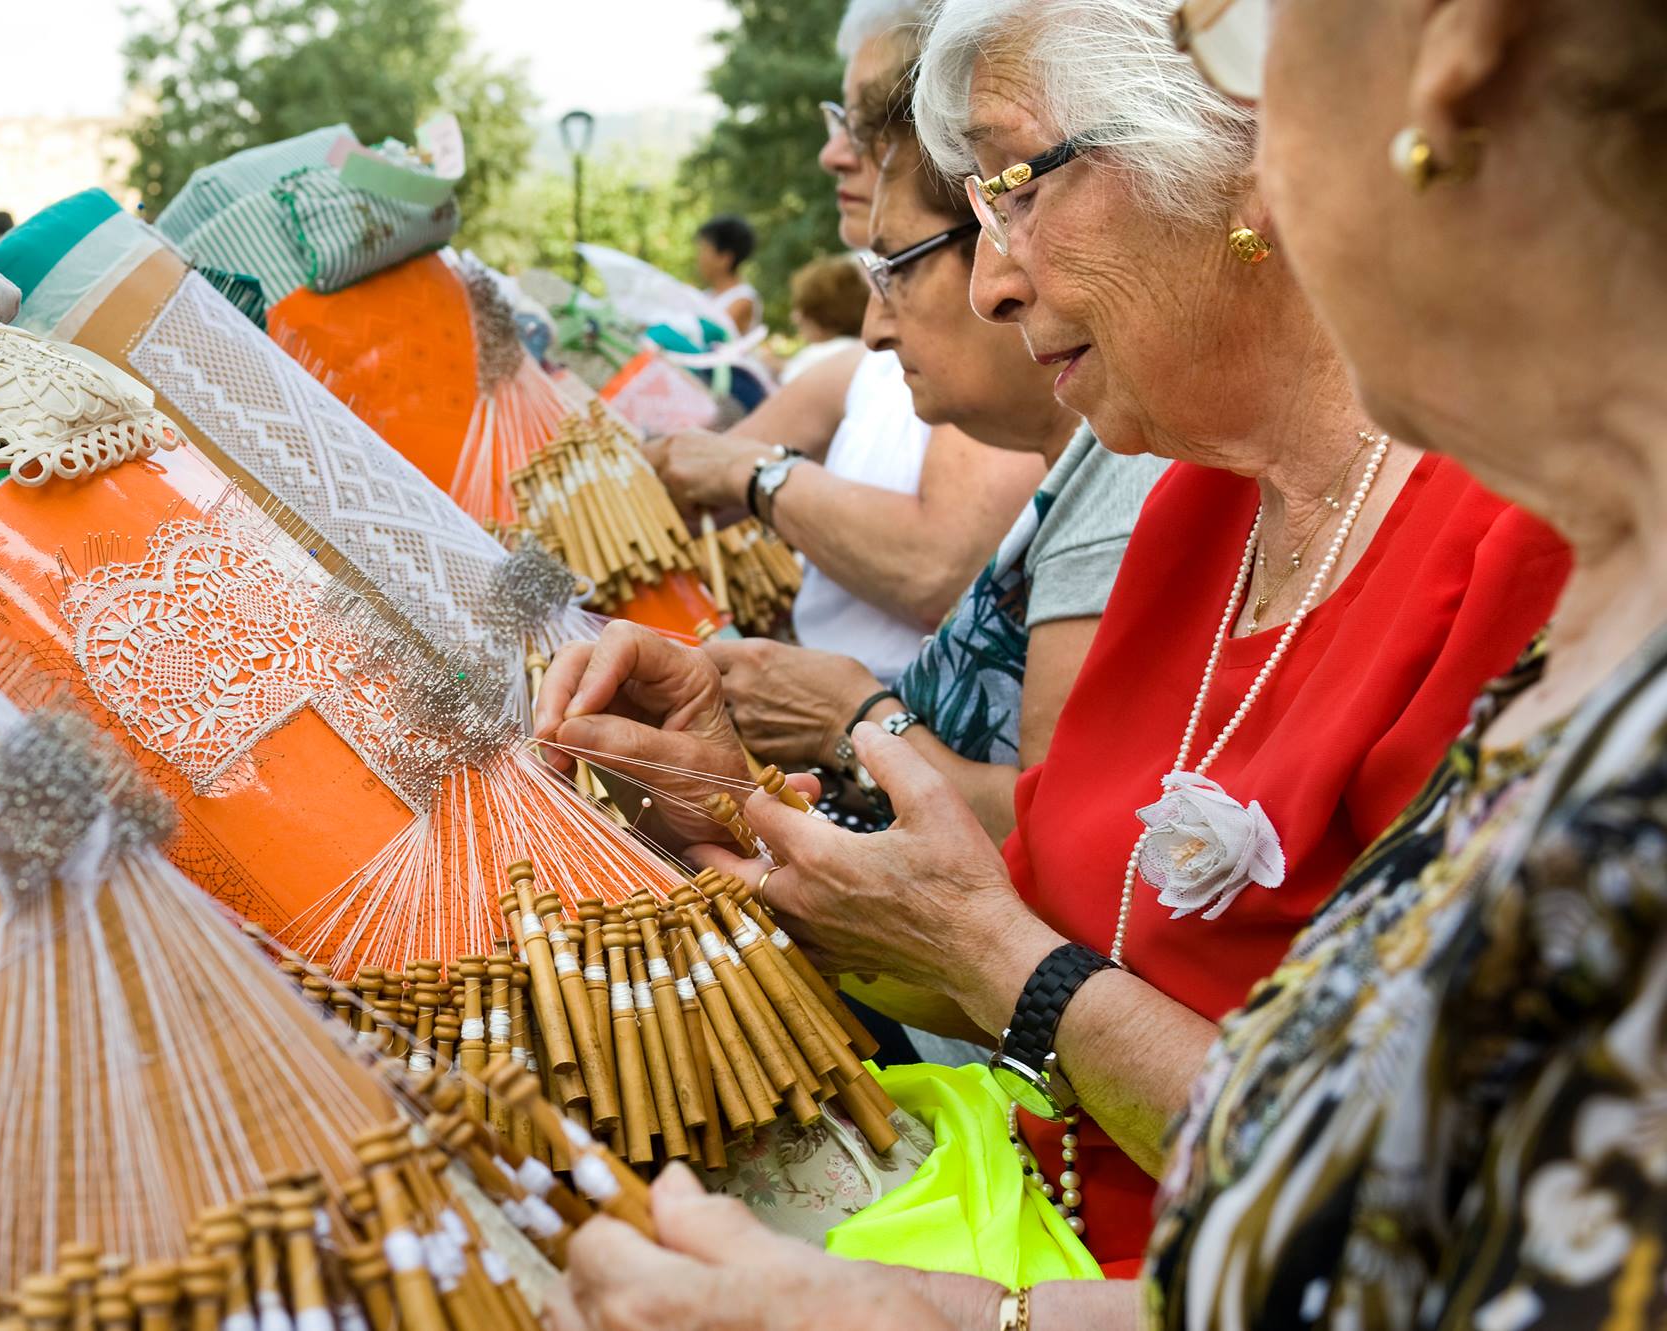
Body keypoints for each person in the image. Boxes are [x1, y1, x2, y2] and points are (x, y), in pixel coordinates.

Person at [536, 0, 1573, 1283]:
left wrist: (992, 960)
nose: (990, 282)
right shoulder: (1193, 507)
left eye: (1015, 189)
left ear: (1237, 146)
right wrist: (729, 803)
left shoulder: (1521, 549)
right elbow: (1010, 924)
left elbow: (1412, 1195)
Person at [707, 77, 1160, 846]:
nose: (875, 329)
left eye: (895, 267)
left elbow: (1063, 842)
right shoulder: (1089, 468)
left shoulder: (1129, 468)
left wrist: (849, 720)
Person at [646, 0, 1045, 687]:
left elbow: (942, 567)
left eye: (868, 125)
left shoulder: (994, 344)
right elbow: (685, 474)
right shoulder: (862, 367)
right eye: (846, 122)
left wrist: (756, 476)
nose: (834, 153)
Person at [777, 256, 867, 385]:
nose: (795, 318)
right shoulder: (868, 352)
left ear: (819, 311)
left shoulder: (816, 357)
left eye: (801, 307)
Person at [695, 214, 761, 335]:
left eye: (704, 250)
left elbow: (708, 334)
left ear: (724, 258)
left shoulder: (743, 299)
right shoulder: (705, 295)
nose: (699, 258)